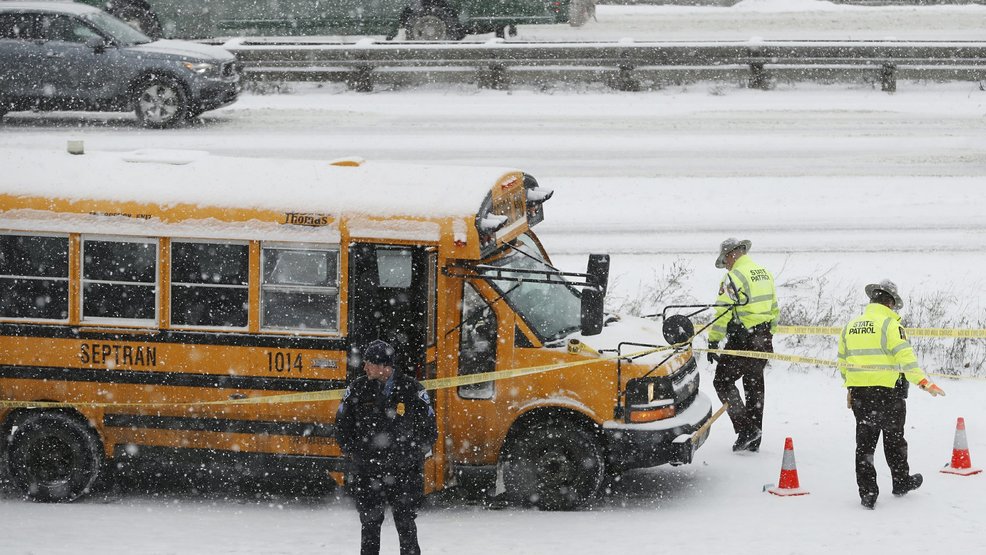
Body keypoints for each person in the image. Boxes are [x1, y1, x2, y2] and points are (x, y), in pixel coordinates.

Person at [838, 279, 945, 510]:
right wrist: (924, 383)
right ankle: (901, 481)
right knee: (894, 440)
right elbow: (905, 359)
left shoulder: (851, 325)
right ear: (888, 302)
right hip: (887, 394)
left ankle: (867, 493)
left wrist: (849, 386)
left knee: (864, 445)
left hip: (859, 395)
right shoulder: (890, 325)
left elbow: (842, 361)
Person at [336, 339, 438, 555]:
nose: (364, 368)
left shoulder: (413, 390)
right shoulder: (357, 389)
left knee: (406, 527)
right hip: (368, 473)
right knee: (370, 527)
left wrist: (408, 456)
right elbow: (342, 426)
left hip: (404, 473)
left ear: (384, 366)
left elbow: (429, 432)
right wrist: (357, 453)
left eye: (369, 363)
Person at [707, 238, 779, 453]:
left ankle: (746, 429)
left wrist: (714, 339)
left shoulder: (733, 277)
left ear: (732, 254)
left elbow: (722, 311)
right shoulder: (764, 273)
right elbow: (774, 308)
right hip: (763, 338)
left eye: (725, 260)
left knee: (722, 381)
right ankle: (754, 440)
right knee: (755, 387)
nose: (726, 265)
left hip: (743, 338)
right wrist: (767, 334)